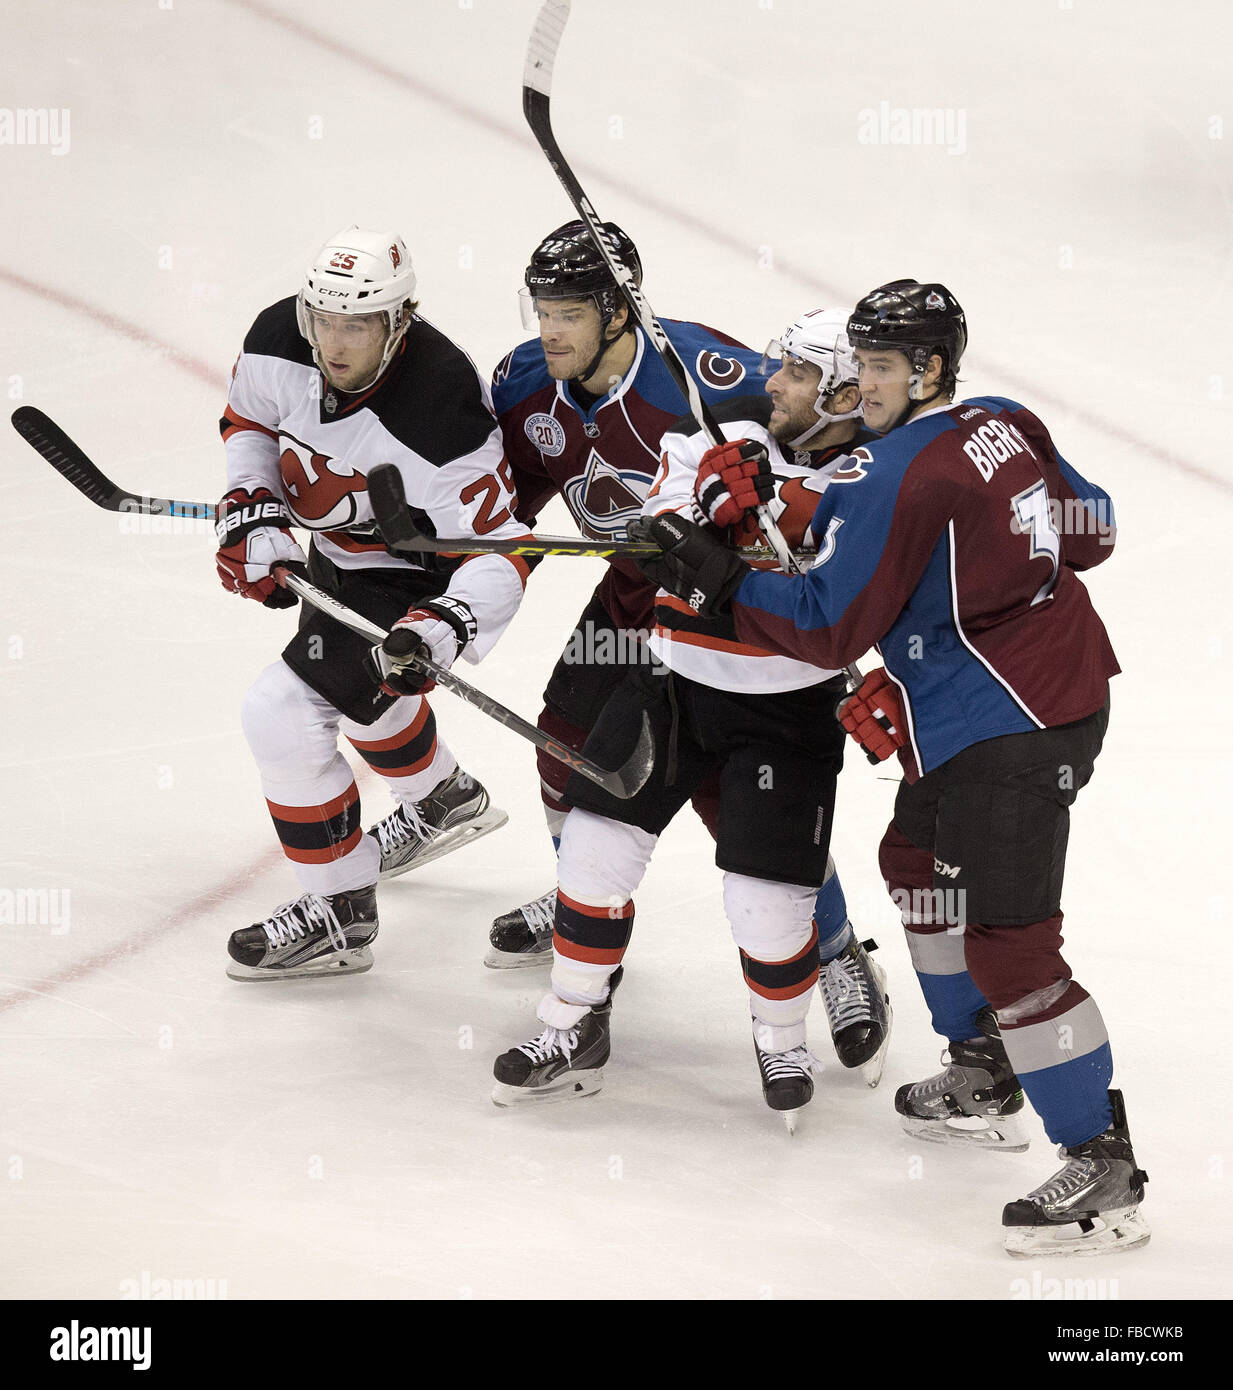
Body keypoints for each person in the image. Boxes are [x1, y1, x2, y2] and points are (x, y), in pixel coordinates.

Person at [633, 278, 1148, 1255]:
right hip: (1031, 690)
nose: (865, 383)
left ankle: (1103, 1161)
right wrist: (965, 597)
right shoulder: (1003, 420)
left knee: (1013, 947)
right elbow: (1094, 532)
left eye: (883, 367)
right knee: (913, 865)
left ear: (930, 371)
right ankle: (982, 1068)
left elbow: (828, 627)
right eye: (860, 363)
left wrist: (719, 575)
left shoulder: (894, 468)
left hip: (1013, 727)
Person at [489, 308, 891, 1122]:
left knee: (762, 894)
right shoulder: (718, 427)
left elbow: (843, 586)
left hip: (784, 713)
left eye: (795, 374)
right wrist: (713, 508)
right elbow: (661, 528)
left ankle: (792, 1023)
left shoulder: (880, 475)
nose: (768, 380)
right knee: (593, 850)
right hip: (666, 679)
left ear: (845, 393)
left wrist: (766, 517)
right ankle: (571, 1023)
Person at [217, 226, 531, 980]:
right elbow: (250, 424)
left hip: (412, 572)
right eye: (322, 319)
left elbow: (500, 554)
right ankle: (442, 798)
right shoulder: (276, 337)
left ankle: (339, 910)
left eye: (357, 323)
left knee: (283, 712)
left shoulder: (440, 411)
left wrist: (443, 626)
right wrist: (251, 502)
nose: (334, 340)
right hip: (338, 555)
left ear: (400, 319)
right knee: (366, 692)